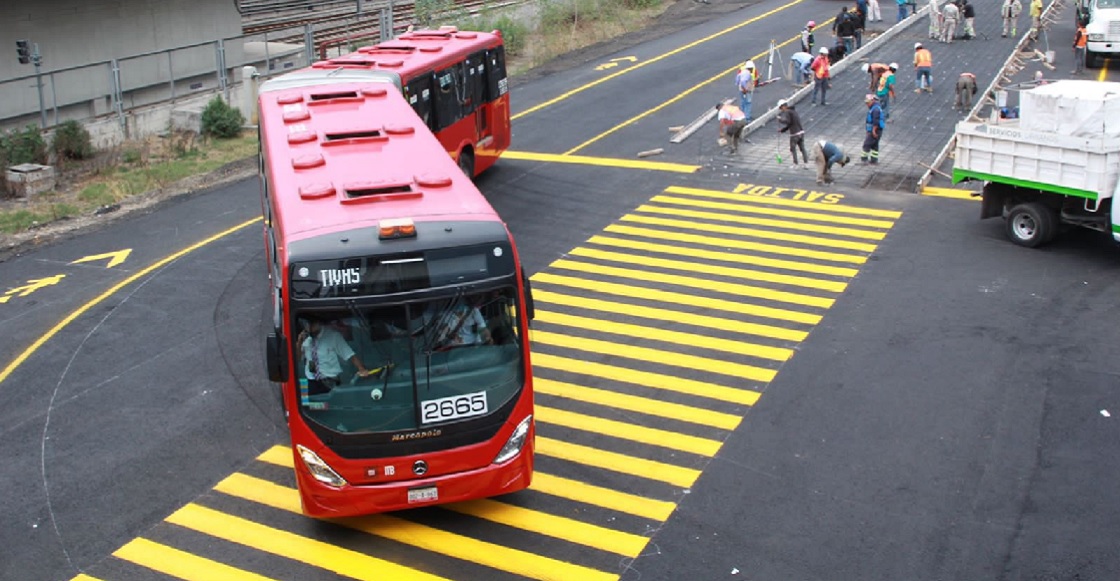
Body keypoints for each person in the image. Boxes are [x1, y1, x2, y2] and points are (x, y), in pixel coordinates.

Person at [300, 317, 376, 395]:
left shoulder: (333, 336)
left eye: (311, 324)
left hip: (329, 381)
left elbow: (350, 355)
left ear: (318, 323)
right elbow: (295, 357)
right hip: (310, 380)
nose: (309, 327)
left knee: (329, 405)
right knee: (305, 404)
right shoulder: (306, 338)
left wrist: (361, 369)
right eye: (307, 325)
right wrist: (299, 342)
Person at [777, 99, 809, 166]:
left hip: (795, 134)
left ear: (783, 106)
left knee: (793, 149)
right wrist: (782, 130)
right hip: (801, 132)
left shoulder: (787, 112)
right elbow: (791, 123)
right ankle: (806, 163)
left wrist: (780, 119)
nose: (781, 110)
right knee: (802, 149)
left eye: (781, 108)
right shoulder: (794, 111)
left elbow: (787, 122)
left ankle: (795, 164)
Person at [861, 95, 885, 164]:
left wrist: (873, 131)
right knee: (875, 145)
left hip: (875, 130)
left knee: (867, 144)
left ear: (872, 101)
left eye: (868, 102)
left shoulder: (875, 110)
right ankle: (874, 160)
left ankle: (864, 159)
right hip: (877, 130)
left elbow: (876, 121)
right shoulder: (875, 108)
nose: (867, 104)